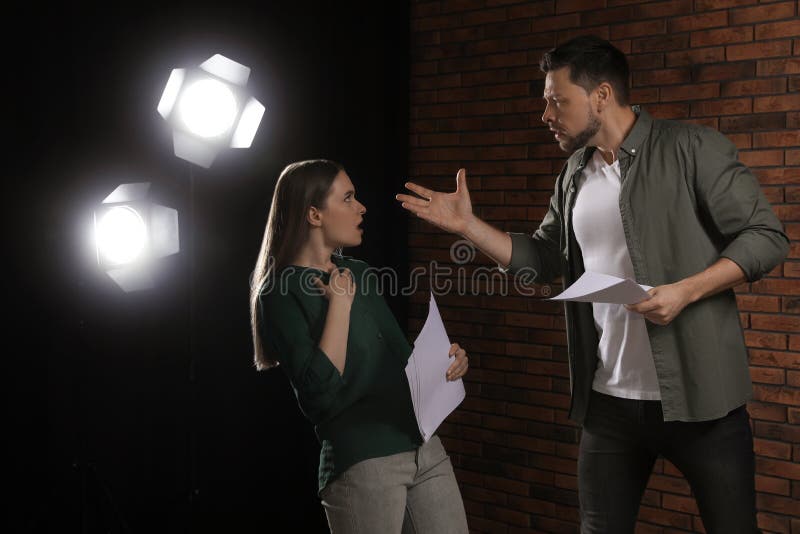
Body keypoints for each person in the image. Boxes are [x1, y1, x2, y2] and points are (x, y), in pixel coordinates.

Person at [396, 36, 789, 534]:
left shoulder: (692, 148)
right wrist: (468, 228)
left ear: (601, 95)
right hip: (610, 406)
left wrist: (685, 291)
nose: (546, 114)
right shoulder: (573, 175)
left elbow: (767, 237)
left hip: (703, 402)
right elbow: (542, 260)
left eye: (557, 100)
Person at [249, 159, 470, 533]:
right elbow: (318, 395)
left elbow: (400, 363)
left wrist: (446, 363)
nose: (362, 207)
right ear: (315, 214)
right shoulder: (279, 292)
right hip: (364, 461)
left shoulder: (360, 273)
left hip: (425, 447)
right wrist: (339, 305)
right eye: (348, 198)